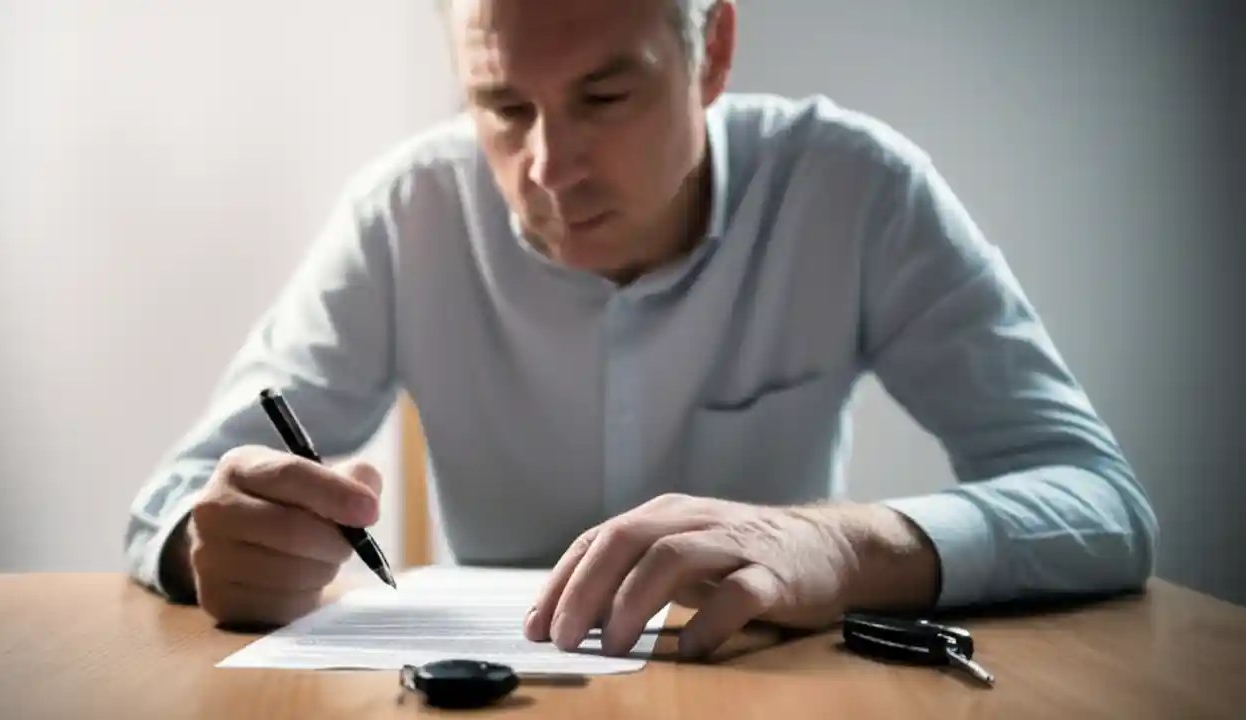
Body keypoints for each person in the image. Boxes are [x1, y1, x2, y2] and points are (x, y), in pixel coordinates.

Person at [125, 0, 1157, 659]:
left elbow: (1099, 501)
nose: (547, 169)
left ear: (711, 52)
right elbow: (171, 502)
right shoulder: (406, 213)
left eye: (603, 94)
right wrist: (206, 543)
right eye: (500, 105)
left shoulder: (851, 188)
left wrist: (836, 544)